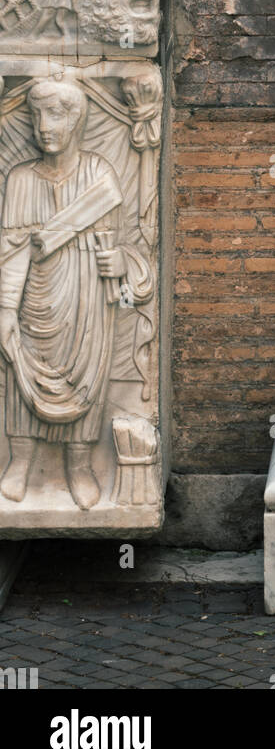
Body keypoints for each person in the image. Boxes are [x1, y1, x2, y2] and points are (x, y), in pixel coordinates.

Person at [0, 77, 152, 509]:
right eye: (36, 115)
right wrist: (6, 308)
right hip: (36, 293)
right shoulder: (20, 179)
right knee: (24, 365)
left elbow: (131, 244)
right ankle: (20, 460)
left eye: (56, 115)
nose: (43, 126)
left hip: (87, 294)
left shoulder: (99, 174)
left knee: (85, 371)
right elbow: (11, 250)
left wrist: (122, 262)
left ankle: (80, 463)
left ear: (77, 119)